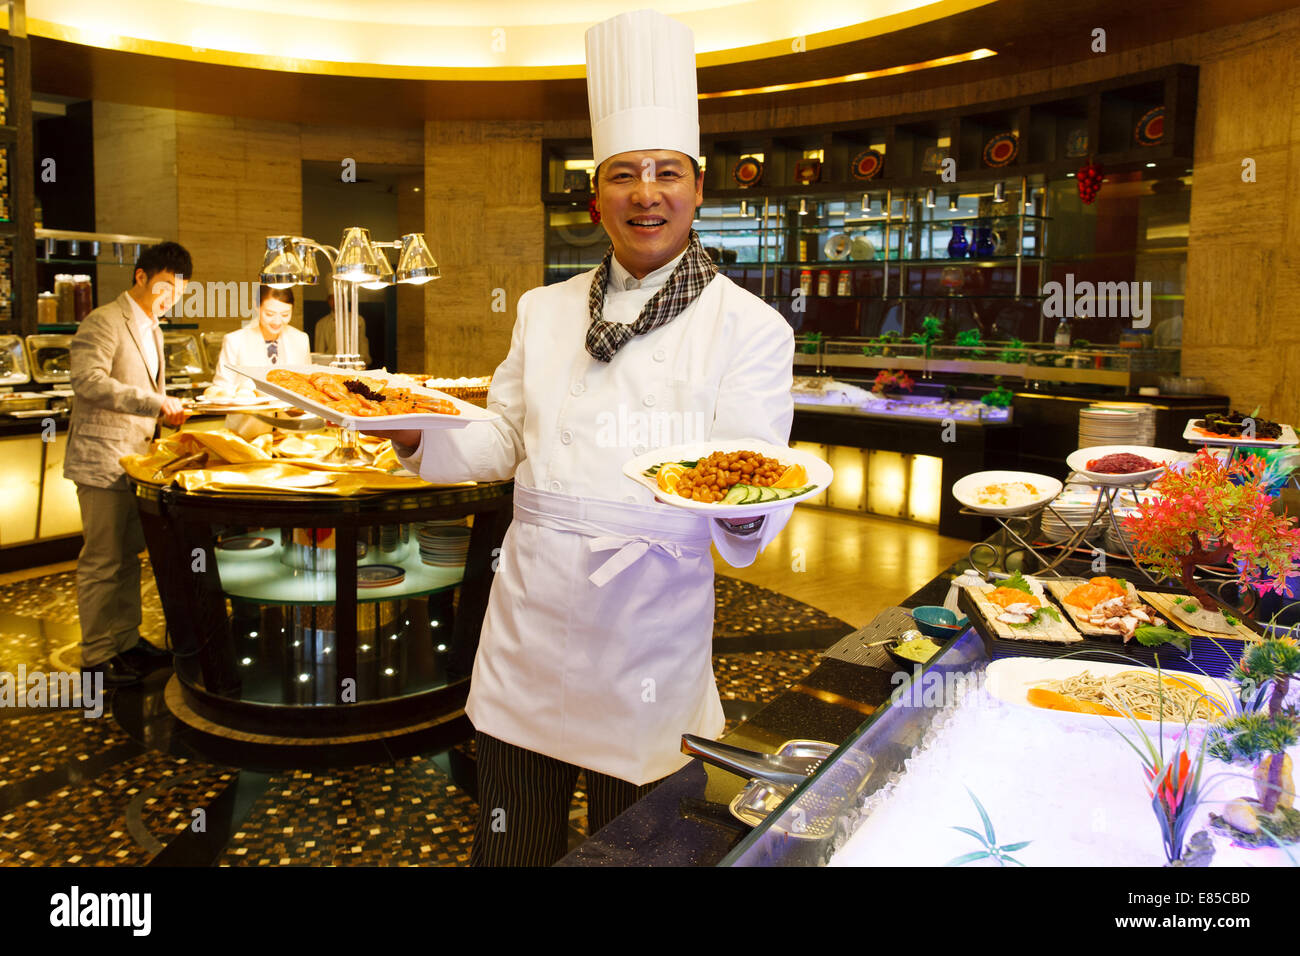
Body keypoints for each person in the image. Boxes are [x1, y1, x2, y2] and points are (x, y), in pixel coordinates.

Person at [375, 10, 795, 865]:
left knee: (636, 852)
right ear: (596, 193)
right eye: (626, 174)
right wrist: (414, 433)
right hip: (529, 630)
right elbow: (501, 439)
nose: (648, 193)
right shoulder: (545, 307)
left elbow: (754, 481)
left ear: (699, 187)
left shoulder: (750, 328)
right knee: (512, 850)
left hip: (648, 640)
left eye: (667, 173)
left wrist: (751, 515)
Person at [65, 241, 192, 686]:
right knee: (102, 559)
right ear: (140, 277)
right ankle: (97, 655)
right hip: (101, 458)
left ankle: (126, 640)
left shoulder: (152, 328)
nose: (168, 299)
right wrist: (154, 403)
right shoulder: (103, 320)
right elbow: (88, 381)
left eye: (176, 293)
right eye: (163, 288)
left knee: (129, 557)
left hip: (137, 462)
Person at [209, 285, 311, 391]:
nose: (277, 321)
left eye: (285, 315)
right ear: (256, 306)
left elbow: (307, 386)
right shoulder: (235, 341)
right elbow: (220, 389)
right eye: (269, 314)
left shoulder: (301, 340)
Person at [312, 292, 371, 366]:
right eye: (332, 298)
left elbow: (362, 343)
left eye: (339, 297)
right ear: (328, 301)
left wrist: (364, 361)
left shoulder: (357, 320)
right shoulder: (321, 324)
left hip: (352, 365)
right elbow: (319, 350)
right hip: (330, 366)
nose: (335, 301)